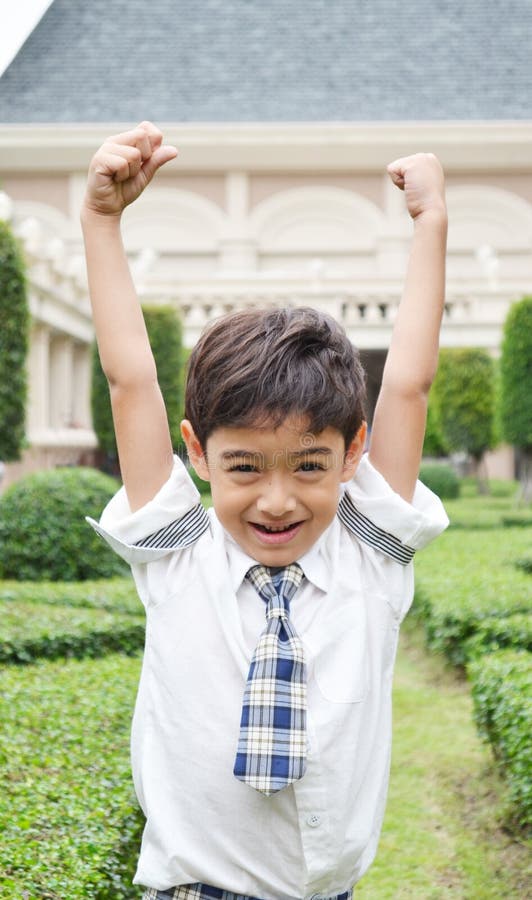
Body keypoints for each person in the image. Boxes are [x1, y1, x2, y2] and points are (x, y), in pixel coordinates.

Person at [82, 122, 449, 900]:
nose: (277, 500)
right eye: (244, 468)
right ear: (198, 453)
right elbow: (130, 382)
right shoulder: (178, 549)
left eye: (309, 467)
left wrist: (433, 225)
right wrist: (102, 221)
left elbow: (409, 384)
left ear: (354, 453)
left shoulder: (370, 553)